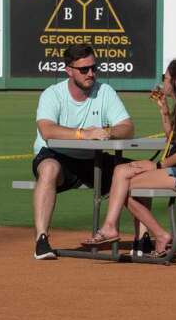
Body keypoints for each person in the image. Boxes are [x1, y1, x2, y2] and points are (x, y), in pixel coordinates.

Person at [81, 59, 176, 258]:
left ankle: (155, 234)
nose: (163, 82)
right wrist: (164, 110)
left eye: (165, 78)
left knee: (122, 186)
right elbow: (172, 139)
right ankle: (114, 228)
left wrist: (157, 165)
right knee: (120, 172)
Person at [30, 44, 134, 259]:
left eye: (94, 68)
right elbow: (47, 129)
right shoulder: (53, 94)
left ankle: (143, 241)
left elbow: (128, 127)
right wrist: (83, 134)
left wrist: (108, 131)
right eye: (84, 69)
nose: (91, 74)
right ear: (69, 70)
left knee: (135, 171)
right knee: (49, 169)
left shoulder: (105, 91)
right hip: (55, 156)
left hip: (91, 160)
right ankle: (41, 239)